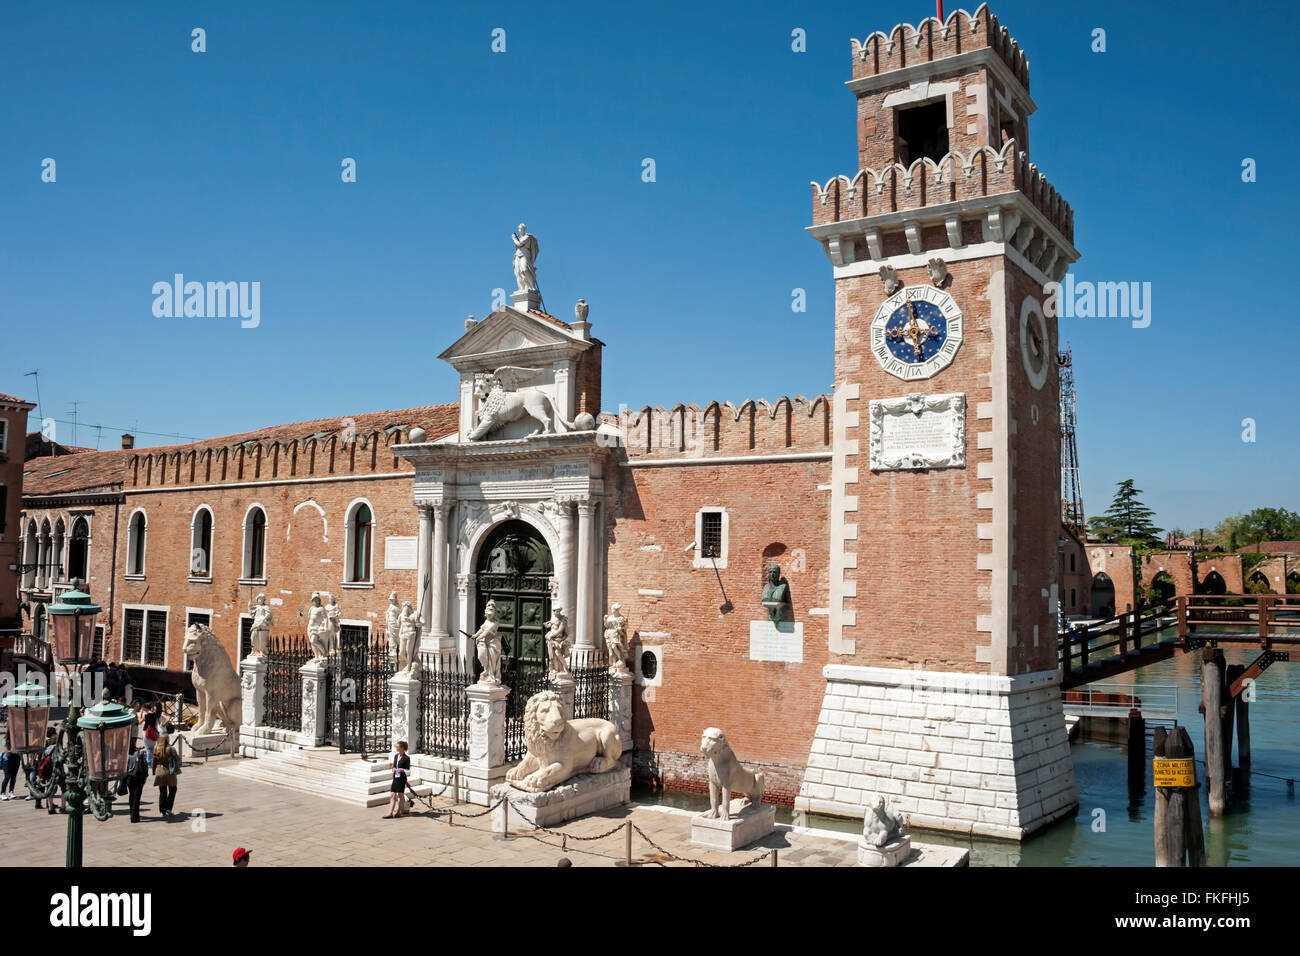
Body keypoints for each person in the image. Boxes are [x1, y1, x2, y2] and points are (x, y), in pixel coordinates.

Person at [151, 733, 180, 817]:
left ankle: (162, 810)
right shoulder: (171, 749)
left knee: (162, 792)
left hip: (160, 772)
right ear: (167, 740)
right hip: (170, 772)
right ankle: (168, 809)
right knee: (173, 790)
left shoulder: (156, 749)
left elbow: (153, 763)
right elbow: (177, 759)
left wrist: (153, 771)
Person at [384, 740, 410, 819]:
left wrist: (402, 770)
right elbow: (394, 766)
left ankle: (396, 811)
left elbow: (408, 771)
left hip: (401, 778)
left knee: (400, 794)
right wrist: (394, 769)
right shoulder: (396, 756)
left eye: (397, 747)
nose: (396, 748)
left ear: (402, 748)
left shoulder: (406, 758)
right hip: (395, 777)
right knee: (393, 795)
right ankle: (393, 812)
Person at [125, 743, 150, 823]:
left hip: (129, 777)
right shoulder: (140, 753)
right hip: (139, 777)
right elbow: (145, 765)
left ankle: (131, 812)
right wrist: (146, 776)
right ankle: (135, 817)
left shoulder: (125, 755)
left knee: (131, 795)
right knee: (137, 797)